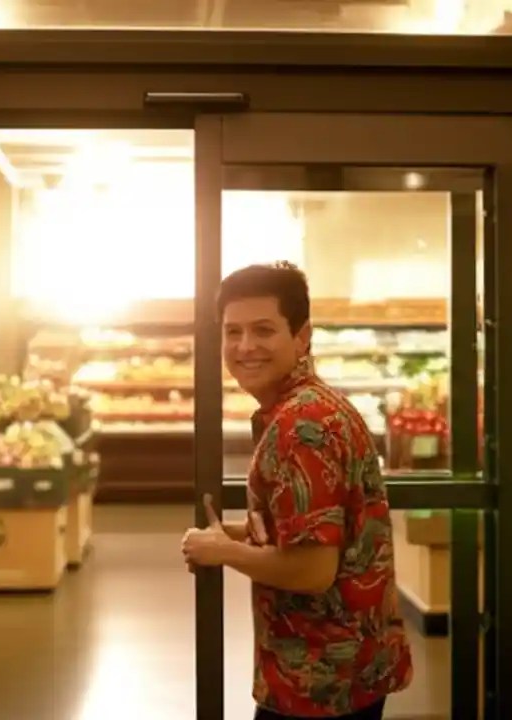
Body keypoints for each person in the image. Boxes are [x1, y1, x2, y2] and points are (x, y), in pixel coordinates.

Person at [182, 261, 413, 720]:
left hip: (318, 676)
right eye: (233, 332)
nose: (245, 347)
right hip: (351, 666)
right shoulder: (315, 406)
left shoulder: (300, 426)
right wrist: (237, 534)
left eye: (263, 330)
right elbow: (322, 529)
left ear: (302, 336)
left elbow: (311, 570)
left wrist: (221, 554)